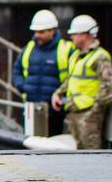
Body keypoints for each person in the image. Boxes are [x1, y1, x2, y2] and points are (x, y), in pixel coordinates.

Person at [50, 15, 112, 149]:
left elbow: (108, 87)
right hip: (73, 111)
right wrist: (58, 93)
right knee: (72, 153)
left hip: (89, 115)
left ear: (86, 35)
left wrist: (95, 112)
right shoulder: (76, 56)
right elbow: (71, 78)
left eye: (75, 34)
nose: (72, 37)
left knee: (91, 153)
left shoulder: (100, 57)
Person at [12, 9, 74, 137]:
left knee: (53, 145)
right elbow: (16, 70)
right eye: (36, 32)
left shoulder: (66, 50)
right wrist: (23, 87)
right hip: (31, 107)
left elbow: (73, 77)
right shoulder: (29, 49)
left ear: (52, 30)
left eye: (41, 32)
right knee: (31, 143)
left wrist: (62, 97)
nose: (37, 35)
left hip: (55, 110)